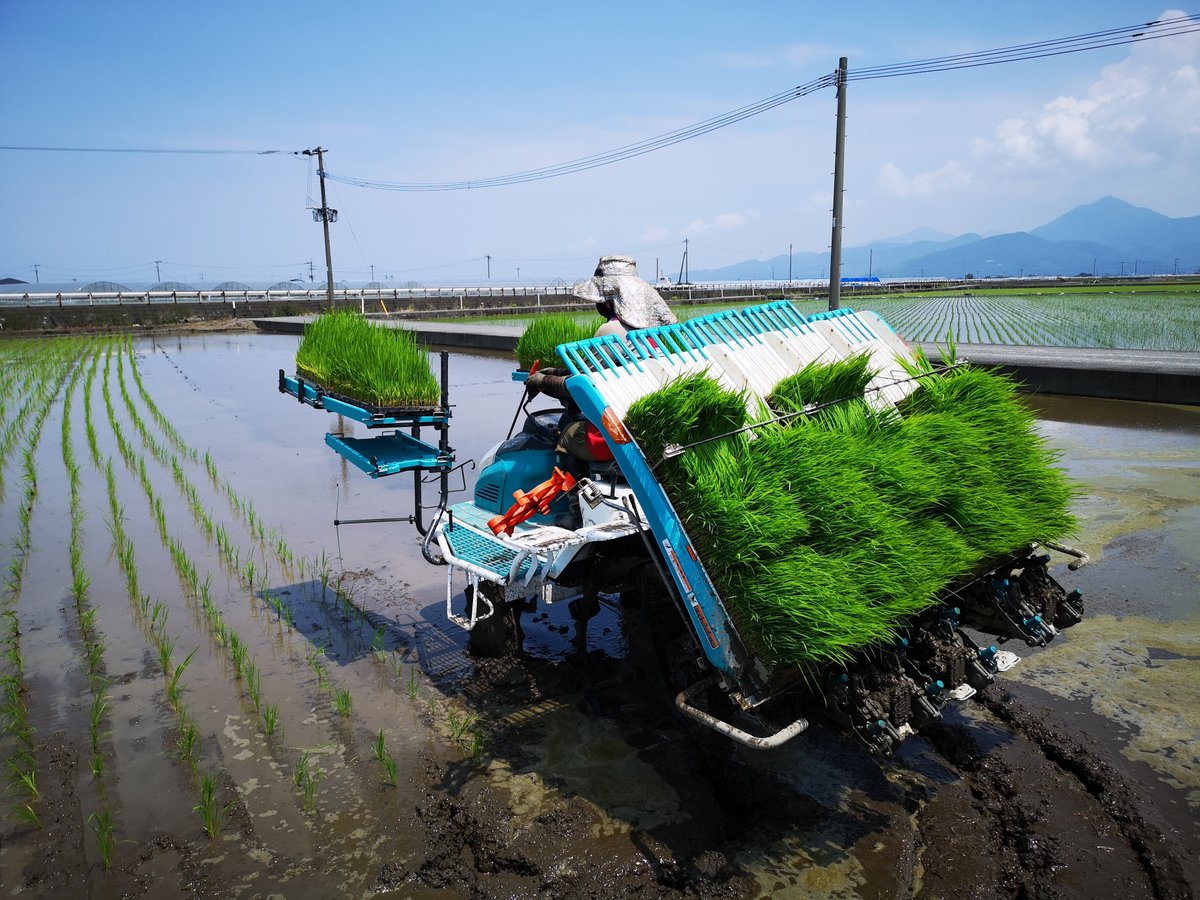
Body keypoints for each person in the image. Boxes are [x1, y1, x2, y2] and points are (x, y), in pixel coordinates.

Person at [526, 255, 677, 467]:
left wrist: (542, 381)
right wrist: (558, 372)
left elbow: (582, 384)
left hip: (622, 431)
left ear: (610, 300)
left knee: (568, 434)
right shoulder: (654, 331)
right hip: (651, 424)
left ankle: (572, 498)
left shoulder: (612, 330)